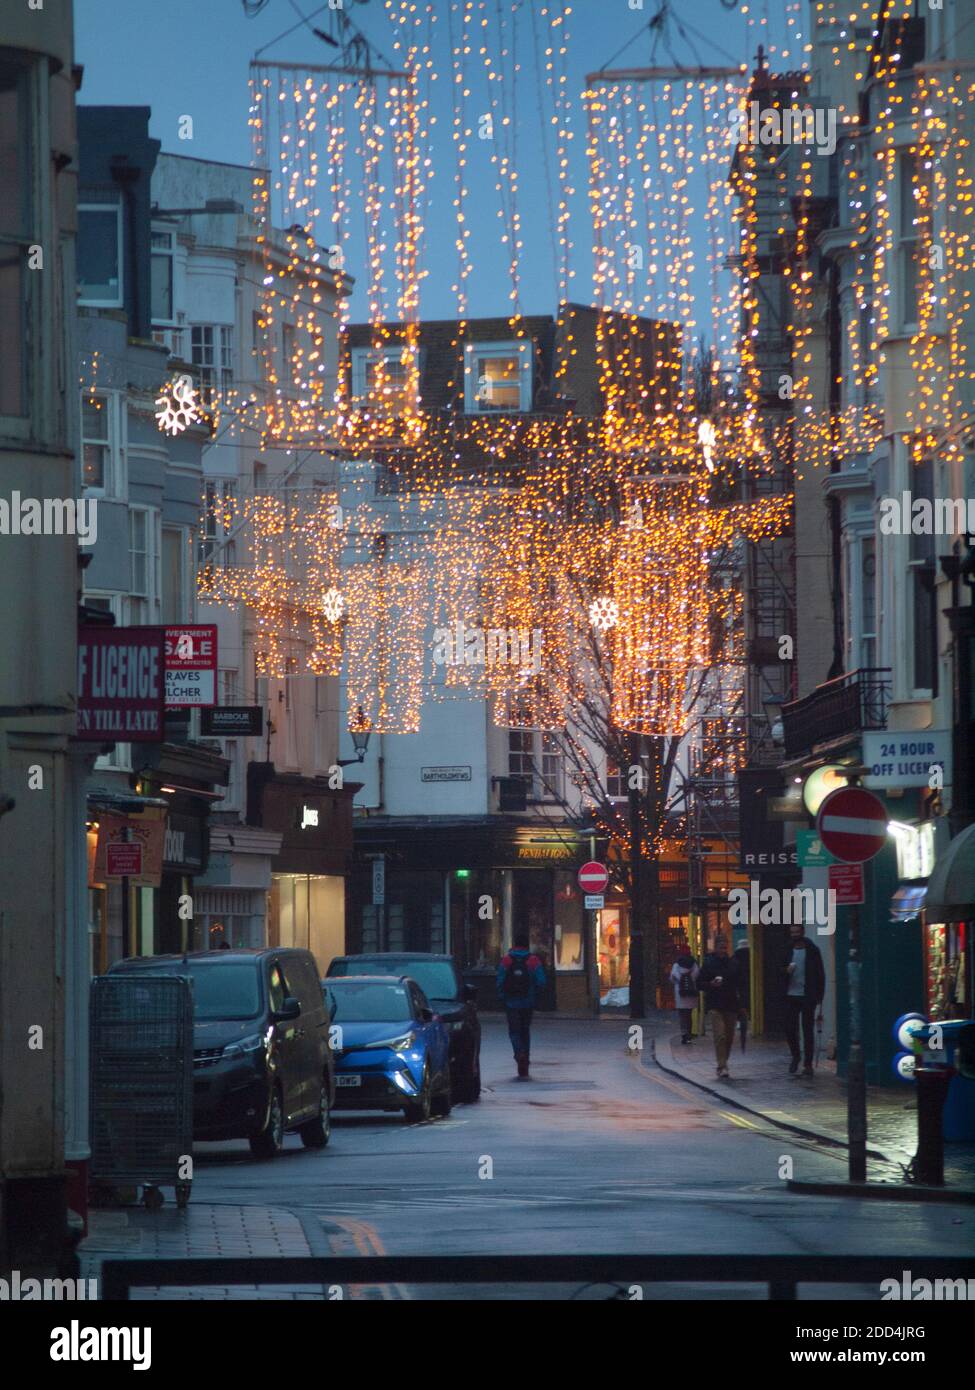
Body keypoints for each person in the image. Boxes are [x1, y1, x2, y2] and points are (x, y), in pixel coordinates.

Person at [496, 931, 546, 1079]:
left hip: (511, 1002)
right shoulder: (533, 960)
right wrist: (535, 995)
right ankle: (525, 1059)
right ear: (526, 945)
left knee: (514, 1031)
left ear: (514, 945)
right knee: (525, 1030)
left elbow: (499, 980)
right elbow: (542, 981)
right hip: (528, 1002)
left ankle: (519, 1053)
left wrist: (503, 996)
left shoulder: (506, 960)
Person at [697, 933, 741, 1079]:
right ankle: (722, 1066)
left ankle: (724, 1061)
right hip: (715, 1004)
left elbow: (740, 983)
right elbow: (699, 983)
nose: (723, 950)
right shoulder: (709, 963)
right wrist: (711, 984)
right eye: (720, 947)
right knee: (720, 1036)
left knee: (729, 1037)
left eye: (725, 947)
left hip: (731, 1004)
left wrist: (743, 1004)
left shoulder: (733, 963)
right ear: (715, 948)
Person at [785, 922, 825, 1076]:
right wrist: (785, 970)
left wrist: (820, 996)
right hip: (791, 995)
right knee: (790, 1029)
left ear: (802, 932)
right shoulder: (787, 949)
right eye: (792, 932)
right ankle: (796, 1056)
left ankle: (808, 1064)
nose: (794, 935)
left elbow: (820, 974)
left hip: (808, 996)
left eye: (797, 932)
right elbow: (778, 969)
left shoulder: (813, 950)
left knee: (807, 1030)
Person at [670, 953, 699, 1043]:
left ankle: (684, 1034)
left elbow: (672, 978)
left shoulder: (676, 965)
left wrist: (678, 980)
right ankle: (689, 1034)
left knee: (682, 1015)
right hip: (690, 992)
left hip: (680, 993)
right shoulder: (694, 965)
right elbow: (696, 975)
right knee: (689, 1014)